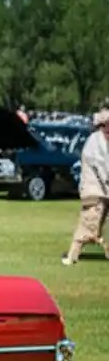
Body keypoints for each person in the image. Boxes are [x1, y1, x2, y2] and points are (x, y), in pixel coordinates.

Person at [62, 110, 109, 265]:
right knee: (88, 224)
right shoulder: (94, 143)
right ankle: (71, 256)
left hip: (103, 191)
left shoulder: (104, 142)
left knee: (97, 226)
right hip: (94, 191)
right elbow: (102, 169)